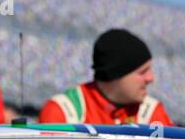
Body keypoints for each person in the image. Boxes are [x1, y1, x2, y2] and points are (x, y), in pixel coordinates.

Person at [39, 29, 173, 126]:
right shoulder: (64, 111)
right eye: (142, 72)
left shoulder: (151, 111)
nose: (151, 78)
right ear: (114, 74)